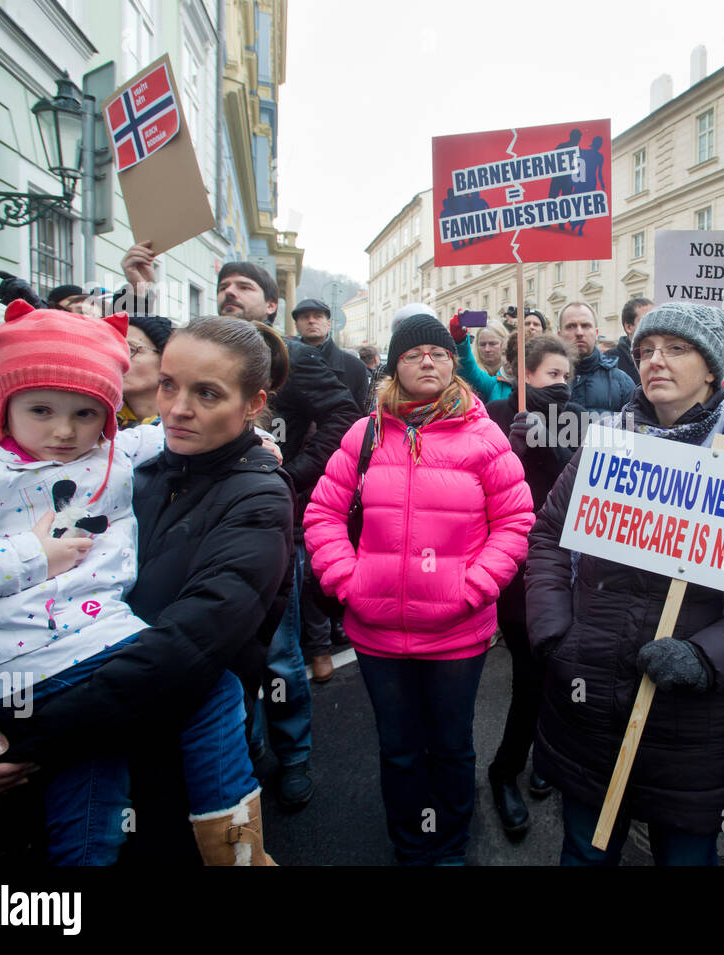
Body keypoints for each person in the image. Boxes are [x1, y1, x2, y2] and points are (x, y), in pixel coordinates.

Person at [0, 305, 275, 865]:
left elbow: (198, 634)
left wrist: (256, 440)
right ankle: (238, 856)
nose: (64, 431)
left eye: (86, 413)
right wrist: (30, 556)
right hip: (37, 665)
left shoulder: (123, 454)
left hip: (80, 671)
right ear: (4, 404)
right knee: (215, 693)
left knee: (92, 807)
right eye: (40, 409)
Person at [526, 302, 724, 866]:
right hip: (591, 693)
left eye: (676, 349)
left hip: (697, 718)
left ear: (712, 369)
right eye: (647, 349)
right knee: (584, 846)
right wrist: (554, 632)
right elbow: (549, 537)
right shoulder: (605, 442)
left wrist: (706, 659)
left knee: (685, 858)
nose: (655, 361)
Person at [121, 241, 358, 809]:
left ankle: (293, 755)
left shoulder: (294, 359)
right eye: (224, 283)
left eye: (245, 285)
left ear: (272, 306)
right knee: (219, 658)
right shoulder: (194, 347)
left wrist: (290, 475)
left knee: (275, 654)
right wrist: (138, 288)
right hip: (187, 516)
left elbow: (343, 415)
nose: (230, 292)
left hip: (265, 516)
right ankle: (240, 758)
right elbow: (134, 345)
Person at [304, 314, 533, 865]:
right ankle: (411, 845)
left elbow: (515, 521)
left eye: (437, 352)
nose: (427, 361)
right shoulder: (365, 434)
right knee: (400, 751)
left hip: (457, 632)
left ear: (454, 363)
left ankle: (450, 846)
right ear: (394, 367)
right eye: (413, 354)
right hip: (377, 633)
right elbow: (323, 513)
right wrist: (346, 580)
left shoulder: (484, 436)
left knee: (451, 748)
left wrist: (474, 587)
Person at [483, 333, 585, 837]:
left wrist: (560, 445)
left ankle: (545, 757)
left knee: (562, 675)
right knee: (530, 675)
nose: (561, 384)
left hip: (572, 569)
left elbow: (589, 483)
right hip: (521, 569)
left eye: (567, 376)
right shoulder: (498, 416)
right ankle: (505, 770)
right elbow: (482, 487)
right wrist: (512, 447)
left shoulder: (579, 418)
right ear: (525, 376)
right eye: (551, 375)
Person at [290, 296, 373, 684]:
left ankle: (334, 625)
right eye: (304, 317)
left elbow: (353, 413)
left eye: (318, 316)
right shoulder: (283, 358)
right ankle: (318, 644)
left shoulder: (352, 366)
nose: (311, 323)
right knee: (306, 559)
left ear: (328, 321)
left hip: (340, 461)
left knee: (338, 547)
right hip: (294, 471)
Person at [558, 302, 635, 413]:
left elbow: (632, 426)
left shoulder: (622, 382)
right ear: (560, 335)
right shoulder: (546, 380)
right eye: (571, 326)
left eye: (585, 326)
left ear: (596, 333)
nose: (579, 332)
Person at [118, 315, 173, 429]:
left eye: (131, 350)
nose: (118, 358)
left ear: (164, 358)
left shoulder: (186, 421)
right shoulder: (97, 421)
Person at [450, 310, 513, 403]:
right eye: (483, 344)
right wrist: (460, 340)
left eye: (492, 344)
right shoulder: (484, 380)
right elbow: (469, 369)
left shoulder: (517, 374)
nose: (487, 349)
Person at [613, 297, 652, 383]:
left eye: (655, 320)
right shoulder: (611, 361)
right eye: (645, 321)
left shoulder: (663, 355)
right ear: (629, 327)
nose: (652, 325)